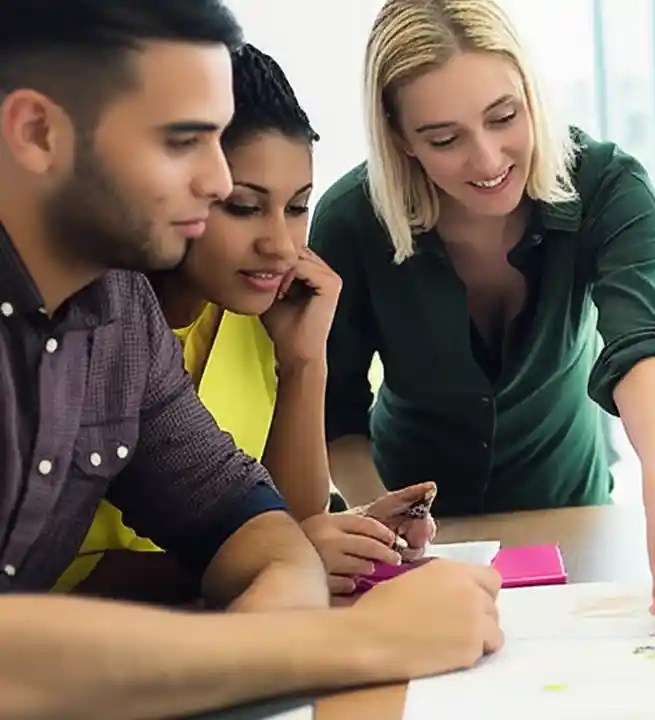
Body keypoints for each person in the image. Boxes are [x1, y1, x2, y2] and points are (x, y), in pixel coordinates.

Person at [0, 3, 500, 717]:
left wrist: (267, 638)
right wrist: (366, 642)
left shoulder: (119, 315)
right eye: (181, 142)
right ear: (37, 133)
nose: (210, 181)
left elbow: (269, 541)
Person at [310, 0, 655, 632]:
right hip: (419, 544)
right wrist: (375, 512)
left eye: (504, 117)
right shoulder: (351, 221)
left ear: (532, 96)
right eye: (444, 139)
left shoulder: (608, 186)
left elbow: (641, 341)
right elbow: (336, 409)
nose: (488, 161)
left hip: (572, 516)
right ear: (400, 139)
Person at [51, 42, 439, 601]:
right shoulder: (90, 326)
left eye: (297, 206)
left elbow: (286, 523)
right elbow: (55, 578)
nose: (279, 245)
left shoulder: (272, 314)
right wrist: (287, 555)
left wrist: (304, 365)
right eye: (242, 206)